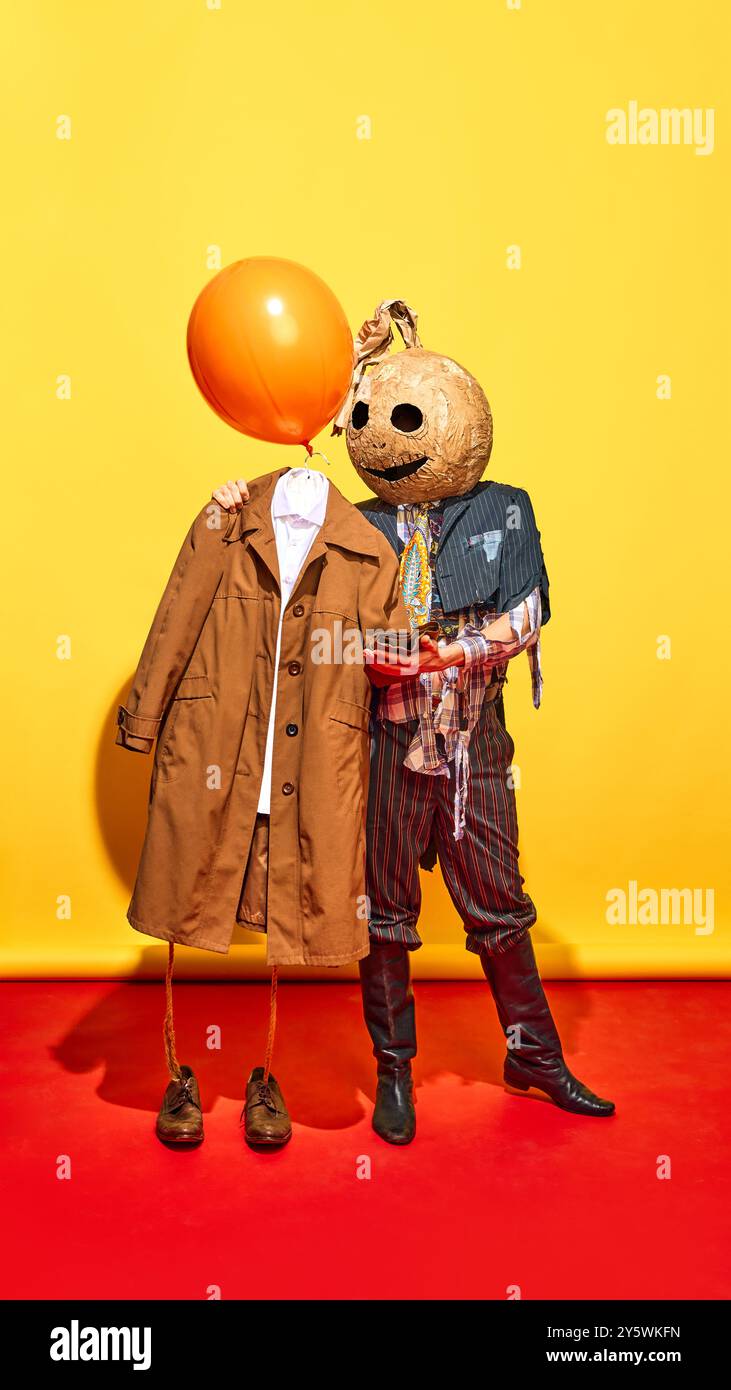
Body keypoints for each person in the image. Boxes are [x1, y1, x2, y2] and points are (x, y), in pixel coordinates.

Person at [211, 298, 615, 1146]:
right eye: (369, 418)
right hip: (387, 750)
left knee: (499, 910)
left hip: (474, 752)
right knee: (385, 915)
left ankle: (531, 1054)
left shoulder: (504, 509)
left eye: (403, 416)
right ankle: (396, 1070)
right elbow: (291, 566)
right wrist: (232, 501)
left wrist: (440, 657)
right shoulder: (357, 521)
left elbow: (527, 612)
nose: (383, 435)